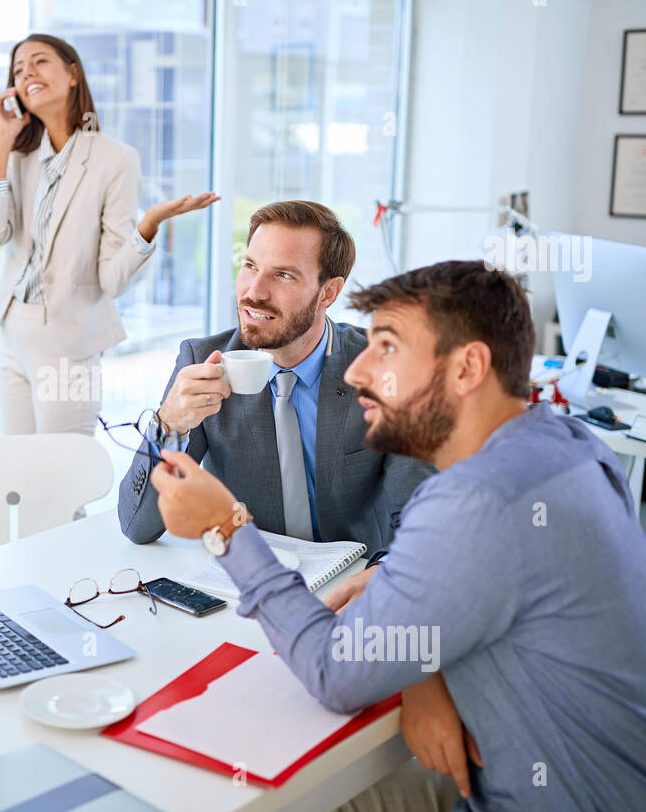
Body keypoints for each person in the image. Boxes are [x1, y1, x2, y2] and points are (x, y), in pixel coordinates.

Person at [148, 260, 646, 812]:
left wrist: (226, 527)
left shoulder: (478, 501)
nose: (356, 373)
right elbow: (501, 584)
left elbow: (333, 672)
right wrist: (403, 603)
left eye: (389, 349)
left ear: (468, 368)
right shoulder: (567, 442)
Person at [119, 200, 432, 555]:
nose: (254, 292)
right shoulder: (203, 362)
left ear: (328, 292)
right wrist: (168, 424)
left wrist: (379, 574)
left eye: (283, 275)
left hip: (352, 583)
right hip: (247, 577)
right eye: (250, 266)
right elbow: (137, 526)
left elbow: (417, 518)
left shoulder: (382, 366)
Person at [0, 33, 218, 435]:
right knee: (20, 472)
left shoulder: (115, 159)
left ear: (73, 74)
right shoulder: (17, 157)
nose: (27, 73)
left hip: (69, 344)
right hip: (11, 335)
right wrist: (1, 141)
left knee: (66, 476)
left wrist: (148, 224)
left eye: (39, 62)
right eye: (18, 70)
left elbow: (112, 279)